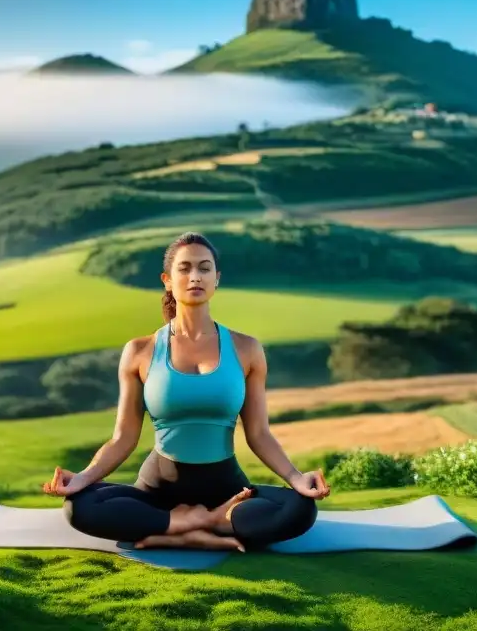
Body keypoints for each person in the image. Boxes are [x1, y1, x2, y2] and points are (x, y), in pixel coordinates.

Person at [42, 231, 330, 552]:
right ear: (167, 280)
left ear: (216, 279)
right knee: (79, 506)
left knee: (301, 508)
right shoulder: (140, 351)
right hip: (157, 491)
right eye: (185, 268)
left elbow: (259, 434)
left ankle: (180, 529)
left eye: (205, 268)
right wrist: (82, 478)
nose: (195, 276)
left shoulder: (246, 349)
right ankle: (197, 525)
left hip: (227, 492)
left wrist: (296, 477)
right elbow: (123, 437)